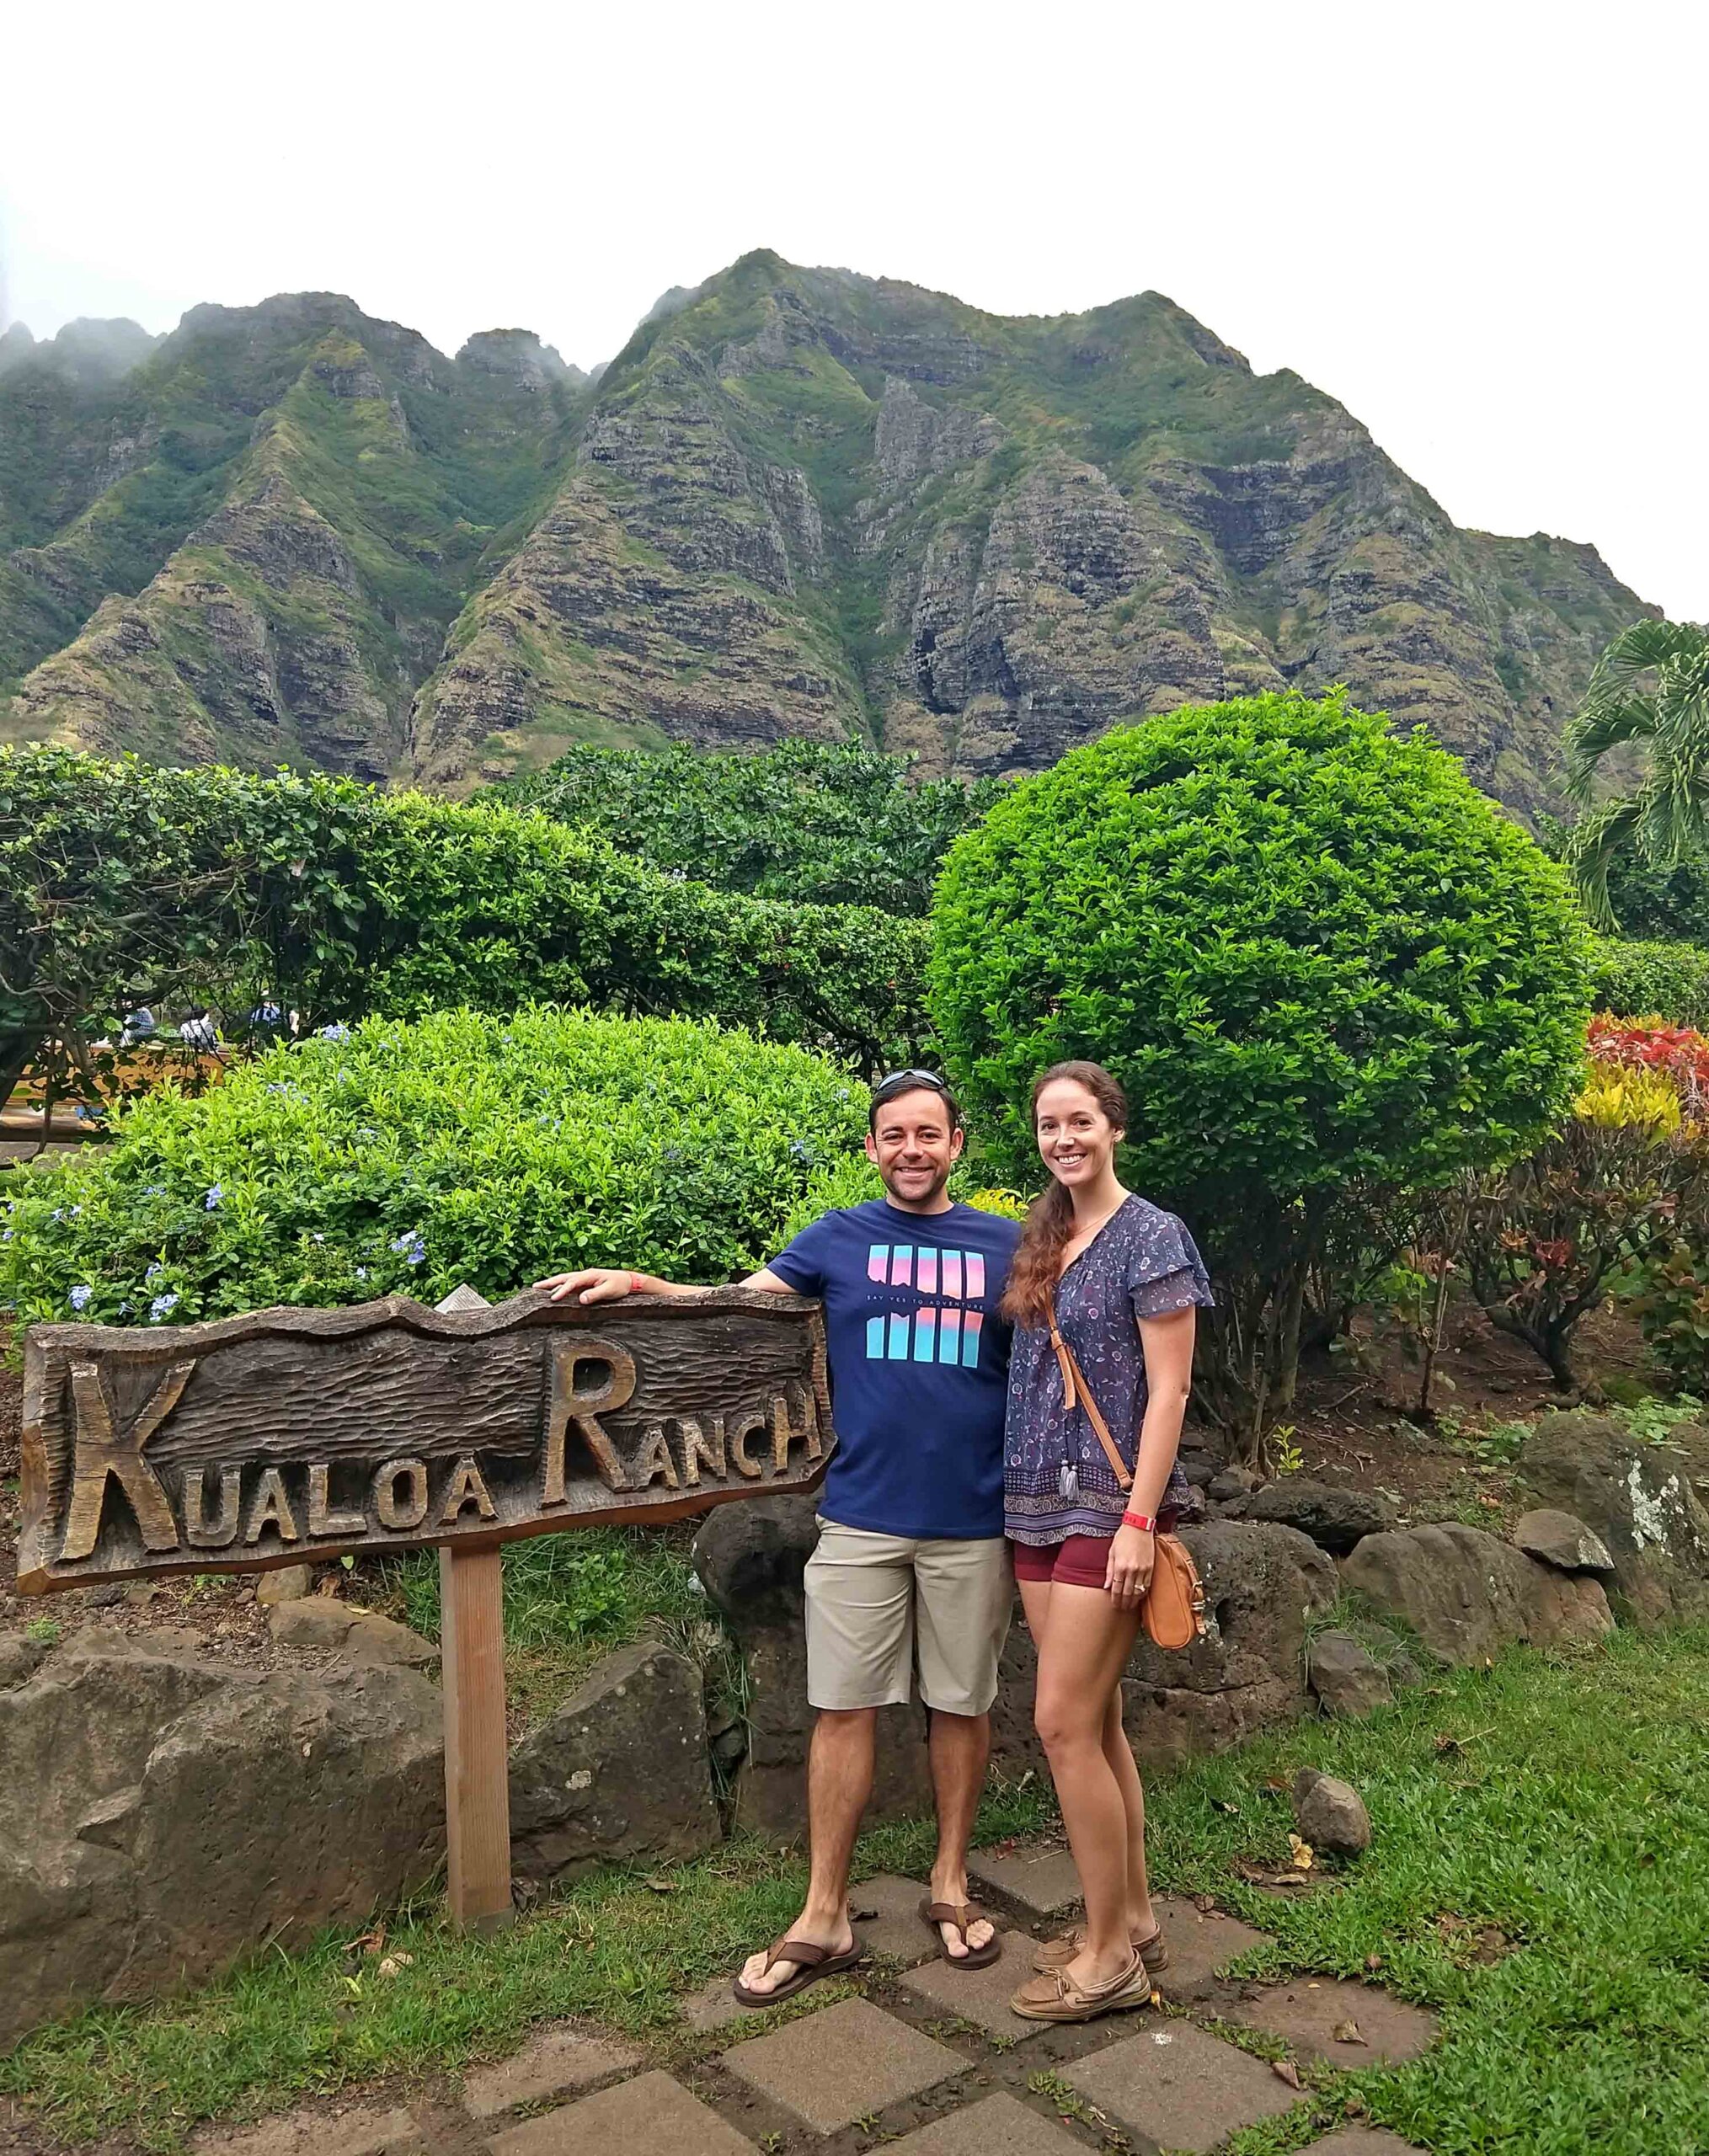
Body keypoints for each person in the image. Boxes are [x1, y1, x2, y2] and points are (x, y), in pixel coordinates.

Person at [535, 1070, 1023, 2005]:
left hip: (973, 1519)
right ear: (871, 1148)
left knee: (961, 1704)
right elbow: (734, 1306)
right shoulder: (836, 1238)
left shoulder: (1004, 1245)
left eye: (928, 1133)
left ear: (957, 1144)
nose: (912, 1149)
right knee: (841, 1708)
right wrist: (639, 1286)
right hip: (860, 1514)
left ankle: (950, 1881)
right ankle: (823, 1911)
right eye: (893, 1134)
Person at [1000, 1060, 1211, 2025]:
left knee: (1059, 1725)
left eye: (1079, 1120)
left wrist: (1138, 1521)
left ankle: (1108, 1960)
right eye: (1049, 1125)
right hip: (1033, 1503)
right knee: (1094, 1721)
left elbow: (1169, 1391)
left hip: (1106, 1508)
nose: (1063, 1138)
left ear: (1113, 1127)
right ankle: (1132, 1918)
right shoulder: (1045, 1232)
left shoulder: (1151, 1235)